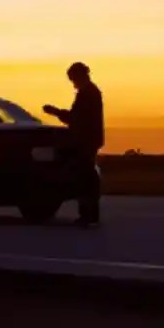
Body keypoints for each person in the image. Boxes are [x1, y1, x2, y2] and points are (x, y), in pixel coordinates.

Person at [43, 61, 105, 227]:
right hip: (89, 140)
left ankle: (87, 214)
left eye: (73, 79)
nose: (73, 83)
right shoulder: (91, 92)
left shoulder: (87, 94)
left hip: (85, 141)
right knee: (87, 177)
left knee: (85, 178)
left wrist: (56, 112)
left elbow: (77, 118)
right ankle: (90, 214)